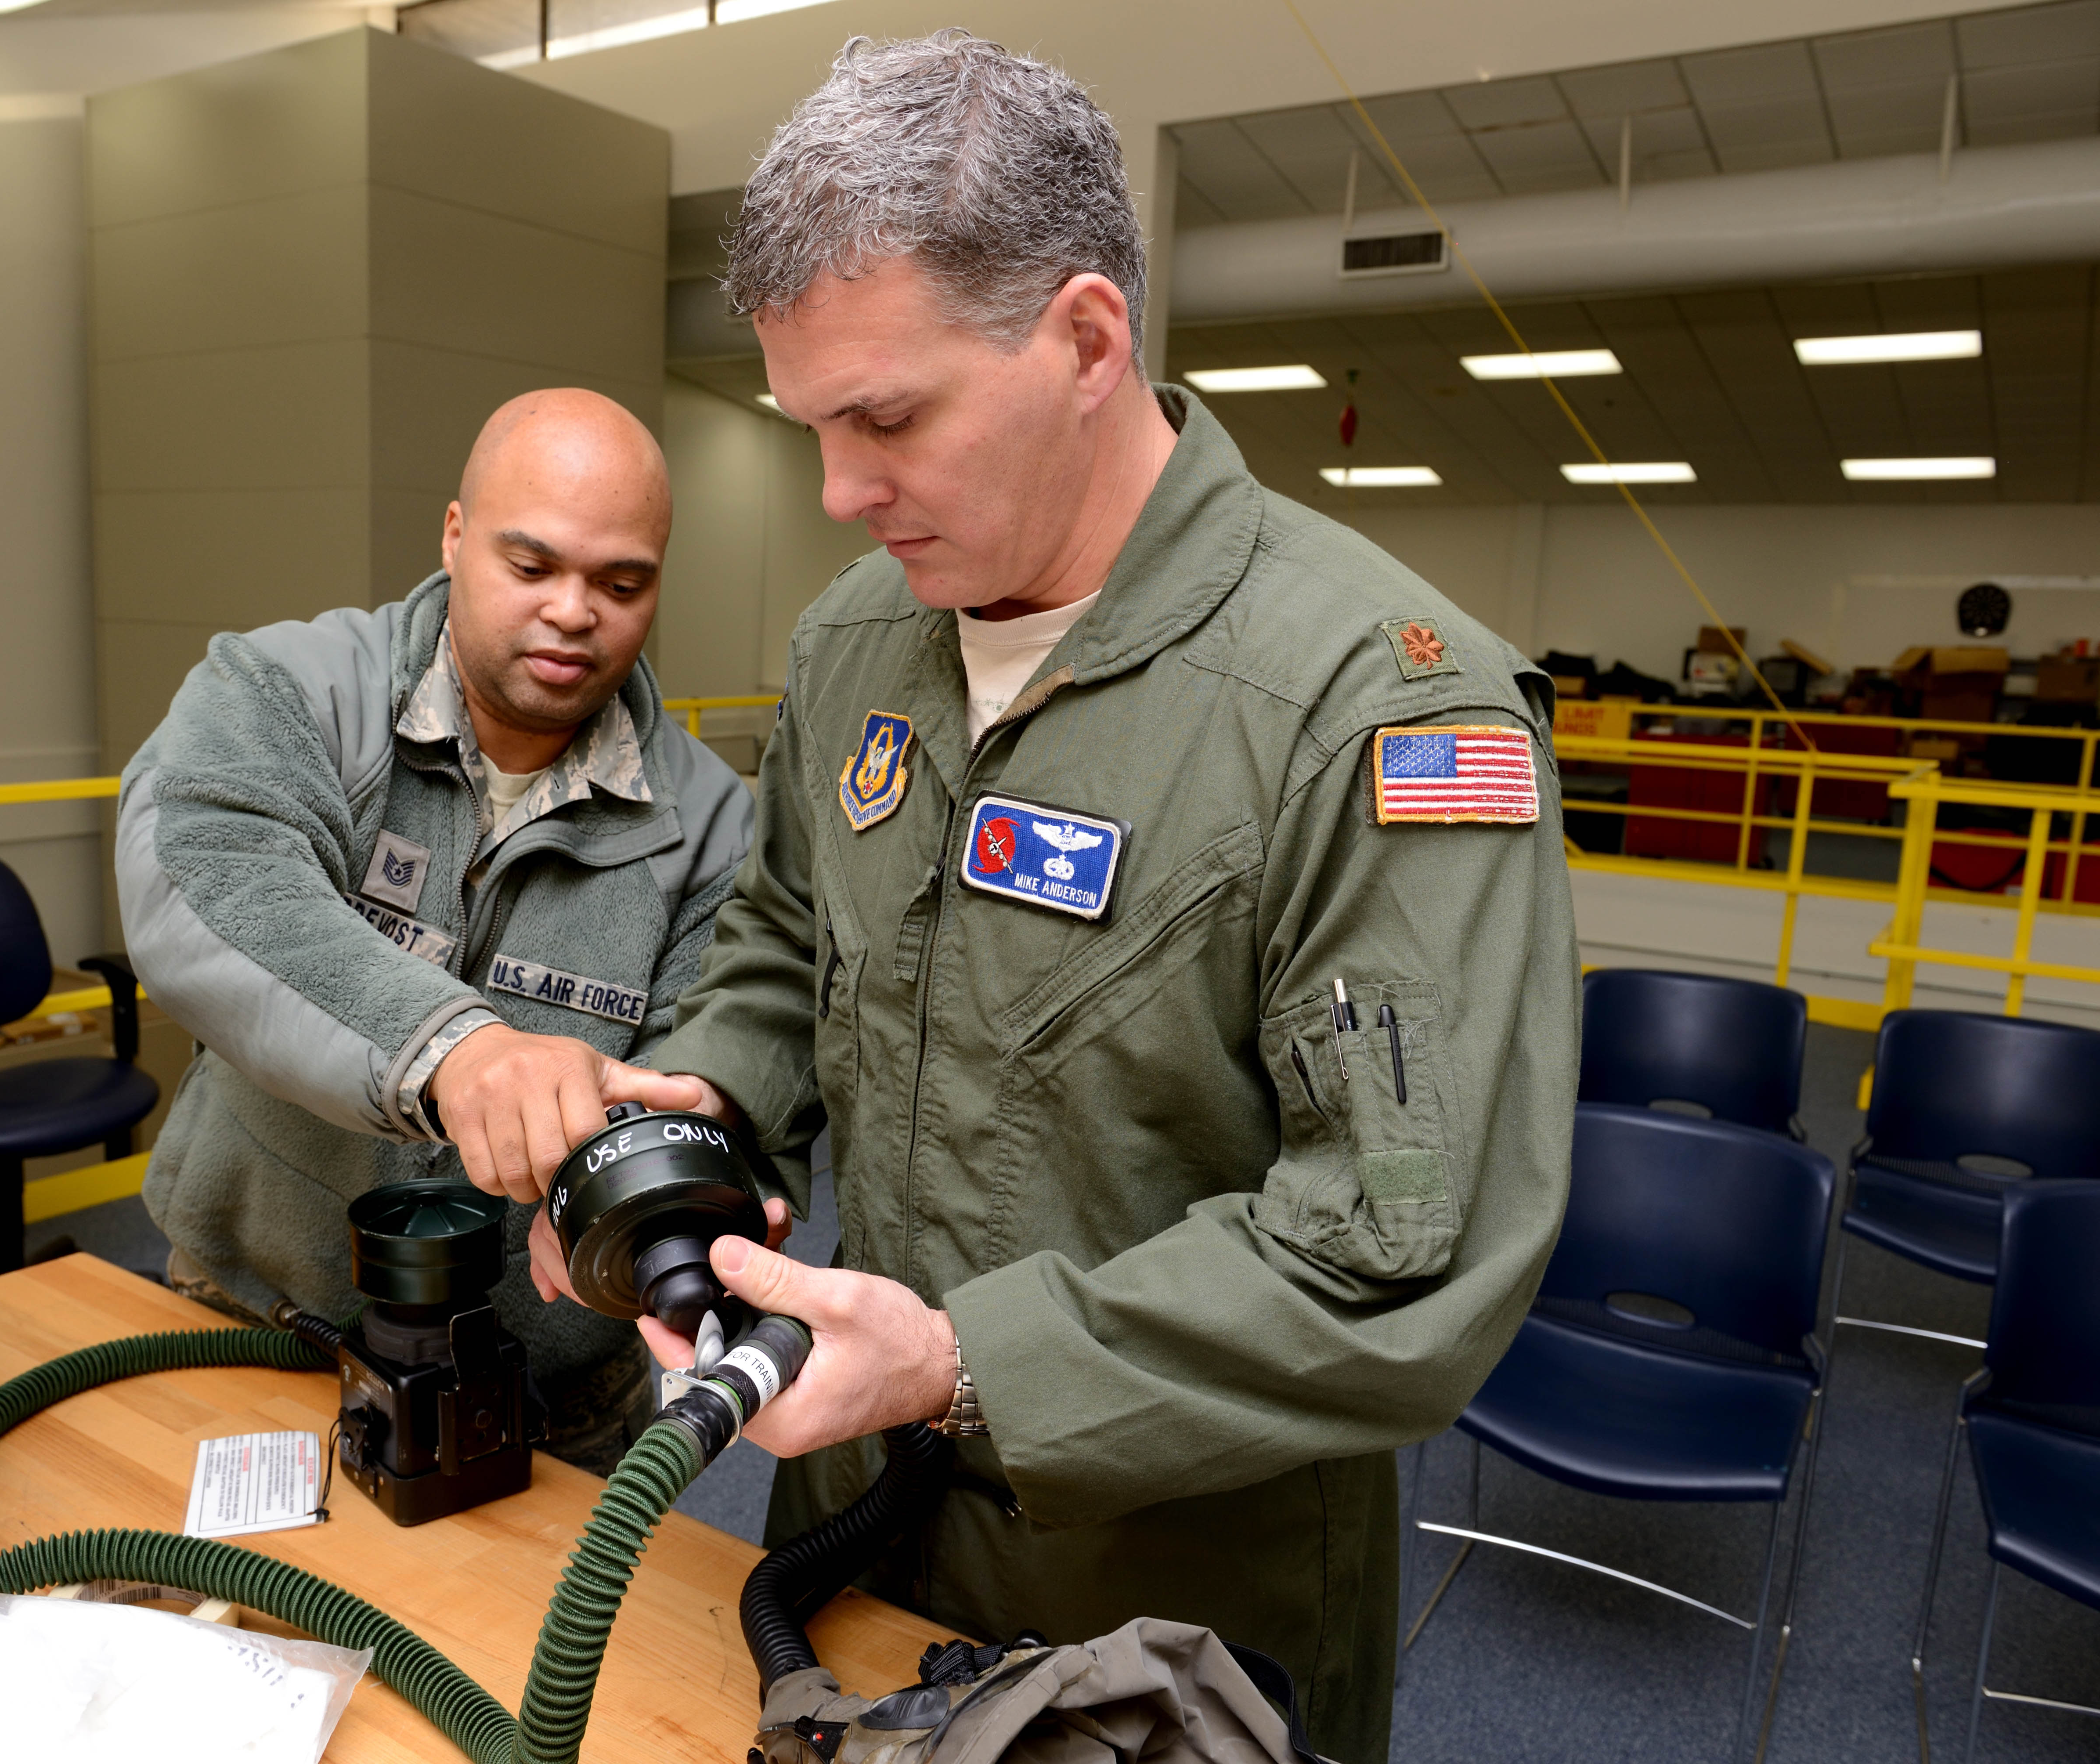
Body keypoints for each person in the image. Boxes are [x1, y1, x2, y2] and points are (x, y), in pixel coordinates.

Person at [514, 35, 1577, 1763]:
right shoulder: (856, 639)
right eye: (810, 427)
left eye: (888, 418)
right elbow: (786, 944)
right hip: (855, 1526)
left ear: (1086, 340)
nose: (840, 494)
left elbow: (1401, 1252)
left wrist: (958, 1359)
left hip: (1175, 1589)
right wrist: (703, 1107)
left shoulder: (1380, 714)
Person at [115, 388, 758, 1472]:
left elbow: (700, 1067)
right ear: (455, 537)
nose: (572, 612)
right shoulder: (285, 688)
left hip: (552, 1399)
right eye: (531, 564)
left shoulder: (713, 825)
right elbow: (208, 879)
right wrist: (453, 1048)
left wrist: (626, 1188)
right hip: (252, 1326)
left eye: (621, 582)